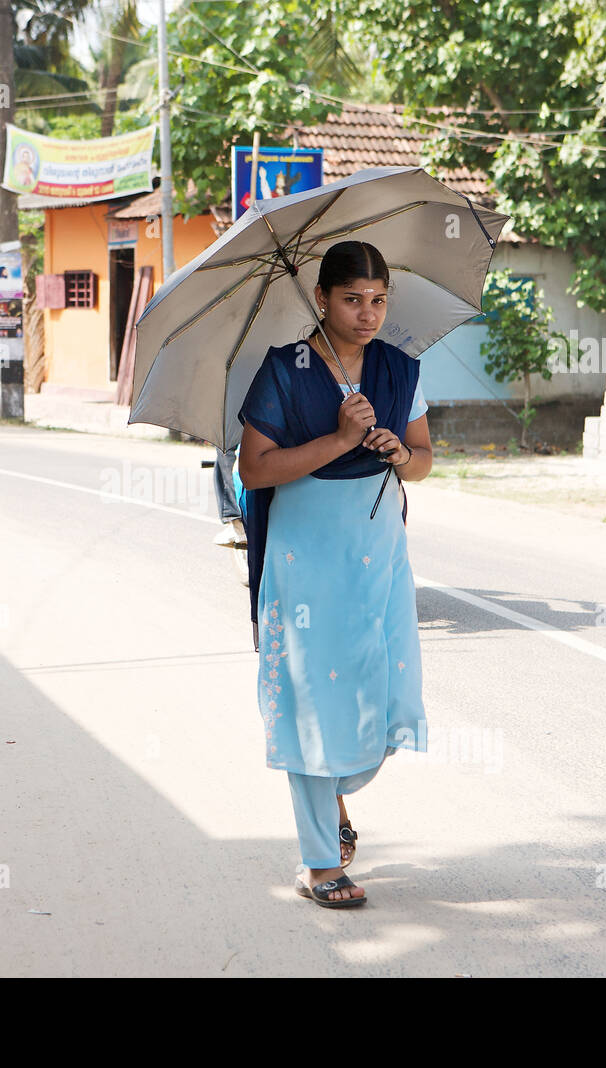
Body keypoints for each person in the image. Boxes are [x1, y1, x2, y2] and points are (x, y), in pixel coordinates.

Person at [236, 240, 432, 909]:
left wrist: (399, 450)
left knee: (386, 692)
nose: (367, 313)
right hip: (305, 552)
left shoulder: (400, 368)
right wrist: (342, 442)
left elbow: (426, 460)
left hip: (378, 548)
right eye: (352, 299)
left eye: (378, 300)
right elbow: (255, 470)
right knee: (309, 700)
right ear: (321, 299)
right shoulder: (284, 371)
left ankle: (336, 793)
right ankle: (321, 861)